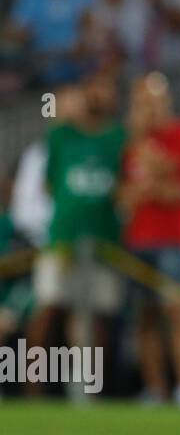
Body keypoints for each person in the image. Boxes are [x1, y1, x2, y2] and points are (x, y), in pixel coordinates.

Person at [26, 70, 126, 387]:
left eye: (107, 89)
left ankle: (86, 385)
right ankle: (31, 385)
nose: (101, 95)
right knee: (48, 309)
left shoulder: (119, 137)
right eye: (95, 88)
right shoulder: (61, 135)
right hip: (63, 238)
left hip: (103, 241)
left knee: (95, 315)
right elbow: (48, 185)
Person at [118, 73, 180, 408]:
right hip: (138, 238)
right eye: (142, 101)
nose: (149, 108)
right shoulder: (129, 141)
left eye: (155, 100)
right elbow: (124, 193)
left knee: (177, 313)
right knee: (144, 317)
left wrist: (151, 177)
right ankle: (155, 388)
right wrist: (151, 187)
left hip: (173, 240)